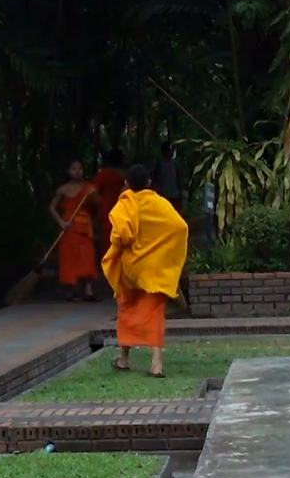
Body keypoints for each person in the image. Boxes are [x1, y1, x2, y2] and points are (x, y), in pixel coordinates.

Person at [102, 164, 189, 378]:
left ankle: (124, 359)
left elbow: (120, 235)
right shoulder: (159, 203)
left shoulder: (125, 203)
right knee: (155, 311)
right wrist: (159, 251)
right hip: (153, 268)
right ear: (149, 183)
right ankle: (156, 364)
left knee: (127, 308)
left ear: (126, 184)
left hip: (131, 267)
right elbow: (180, 227)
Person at [49, 160, 99, 302]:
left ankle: (88, 290)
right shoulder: (62, 189)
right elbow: (52, 207)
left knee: (87, 256)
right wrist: (61, 222)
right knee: (68, 257)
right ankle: (70, 291)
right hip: (68, 226)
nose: (77, 171)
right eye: (73, 168)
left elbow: (97, 205)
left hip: (84, 225)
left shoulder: (89, 188)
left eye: (79, 168)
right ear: (68, 171)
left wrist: (93, 196)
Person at [91, 149, 128, 296]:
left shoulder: (104, 174)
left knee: (108, 240)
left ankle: (109, 270)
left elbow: (93, 191)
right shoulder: (121, 175)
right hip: (119, 207)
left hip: (107, 208)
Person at [149, 142, 183, 210]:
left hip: (174, 196)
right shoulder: (158, 163)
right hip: (162, 196)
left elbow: (179, 179)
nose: (171, 152)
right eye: (169, 150)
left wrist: (180, 193)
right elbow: (154, 178)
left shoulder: (176, 163)